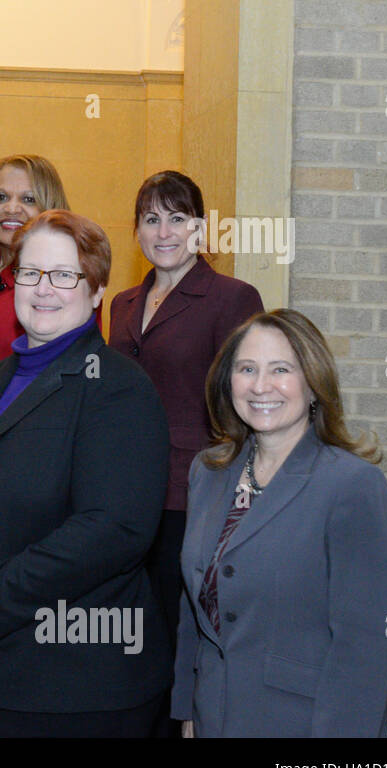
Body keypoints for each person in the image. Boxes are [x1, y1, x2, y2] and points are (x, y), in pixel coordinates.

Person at [0, 210, 171, 737]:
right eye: (30, 273)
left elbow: (113, 531)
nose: (43, 288)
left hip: (73, 687)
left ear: (96, 290)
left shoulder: (119, 389)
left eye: (64, 275)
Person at [172, 309, 387, 738]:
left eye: (281, 369)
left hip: (308, 725)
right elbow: (194, 604)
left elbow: (364, 648)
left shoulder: (352, 485)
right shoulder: (208, 472)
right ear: (229, 381)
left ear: (314, 383)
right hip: (213, 715)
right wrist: (188, 709)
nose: (261, 386)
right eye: (247, 369)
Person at [107, 170, 264, 736]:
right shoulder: (123, 303)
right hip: (126, 495)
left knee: (184, 633)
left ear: (200, 228)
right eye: (151, 219)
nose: (164, 231)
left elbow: (245, 400)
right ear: (137, 231)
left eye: (178, 218)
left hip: (195, 493)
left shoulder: (232, 298)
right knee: (134, 631)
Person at [0, 154, 69, 384]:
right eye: (0, 197)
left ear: (49, 208)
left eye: (28, 199)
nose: (11, 208)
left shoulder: (66, 286)